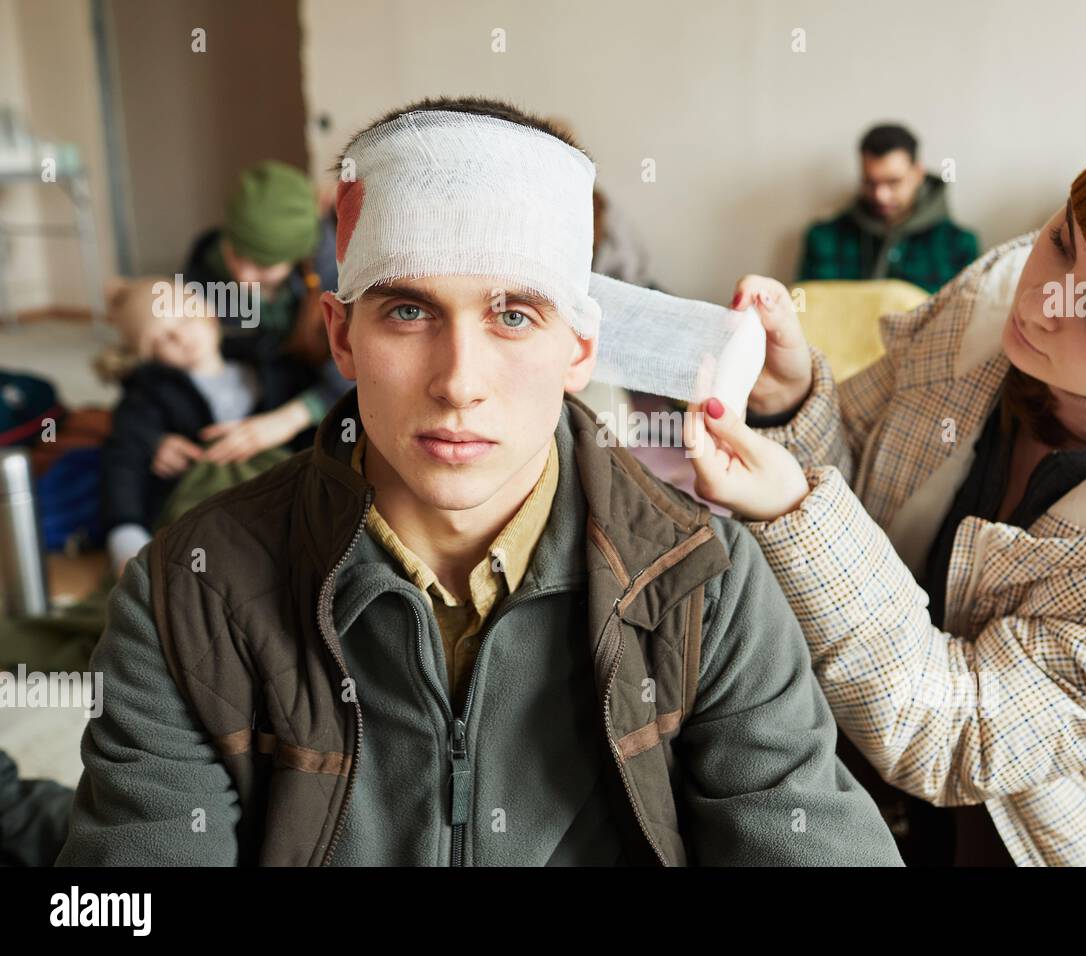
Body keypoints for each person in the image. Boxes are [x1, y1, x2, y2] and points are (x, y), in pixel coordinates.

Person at [56, 96, 901, 867]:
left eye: (514, 314)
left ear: (579, 348)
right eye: (409, 311)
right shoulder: (188, 595)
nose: (459, 380)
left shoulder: (701, 587)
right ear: (343, 339)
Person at [687, 102, 1086, 866]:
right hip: (904, 782)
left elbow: (958, 734)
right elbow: (862, 494)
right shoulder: (986, 302)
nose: (1043, 304)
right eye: (1062, 242)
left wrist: (795, 510)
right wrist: (790, 402)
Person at [96, 278, 309, 577]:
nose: (180, 338)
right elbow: (123, 455)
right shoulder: (149, 395)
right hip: (207, 506)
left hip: (278, 493)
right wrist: (125, 533)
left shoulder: (269, 364)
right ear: (149, 357)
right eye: (162, 338)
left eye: (184, 318)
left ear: (208, 314)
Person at [182, 159, 350, 428]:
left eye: (263, 266)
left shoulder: (336, 274)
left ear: (296, 258)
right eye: (236, 254)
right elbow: (175, 372)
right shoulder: (202, 274)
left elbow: (358, 367)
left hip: (317, 414)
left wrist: (290, 419)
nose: (244, 276)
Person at [798, 123, 978, 292]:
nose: (880, 195)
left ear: (917, 174)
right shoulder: (825, 239)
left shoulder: (958, 245)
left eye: (893, 182)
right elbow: (808, 309)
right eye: (870, 182)